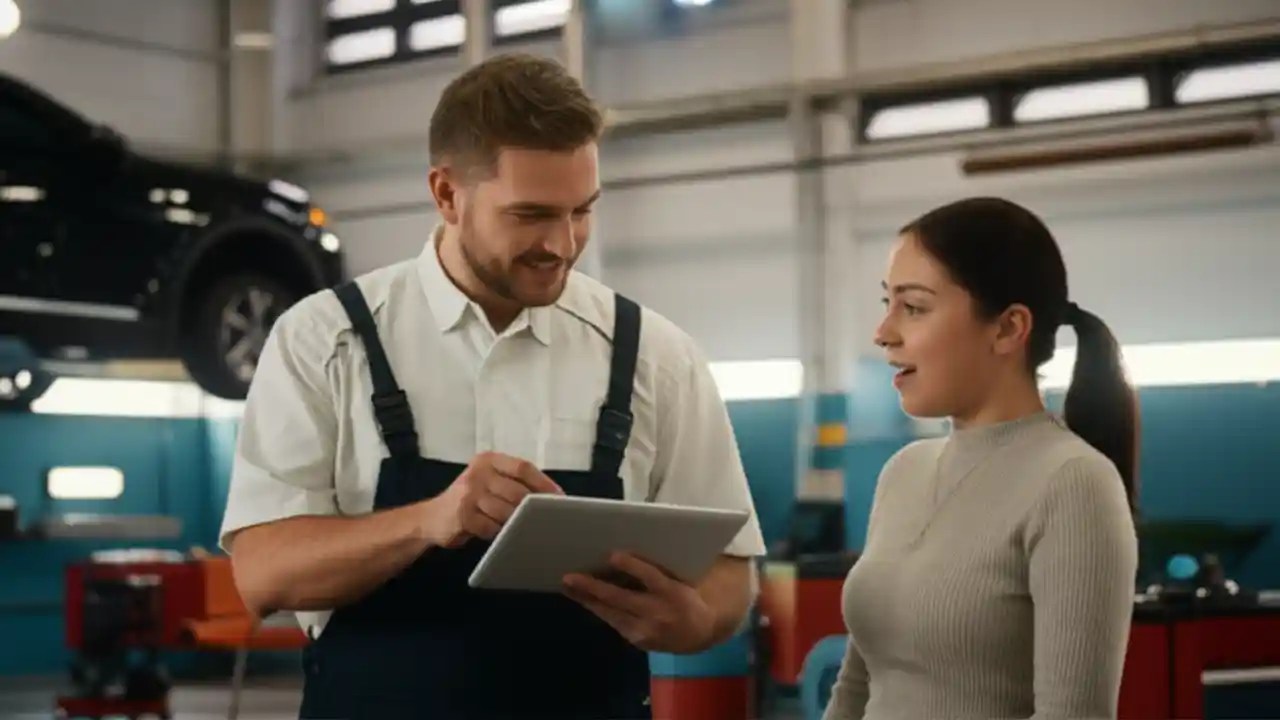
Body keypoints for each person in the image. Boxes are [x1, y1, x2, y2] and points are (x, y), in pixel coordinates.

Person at [218, 53, 765, 719]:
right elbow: (265, 573)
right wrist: (429, 519)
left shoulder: (656, 356)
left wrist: (694, 619)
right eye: (531, 214)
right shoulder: (324, 342)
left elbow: (732, 574)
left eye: (582, 211)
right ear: (447, 193)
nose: (563, 244)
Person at [822, 197, 1140, 720]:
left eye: (915, 307)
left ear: (1009, 328)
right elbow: (858, 686)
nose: (884, 332)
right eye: (888, 303)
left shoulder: (1074, 483)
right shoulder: (903, 472)